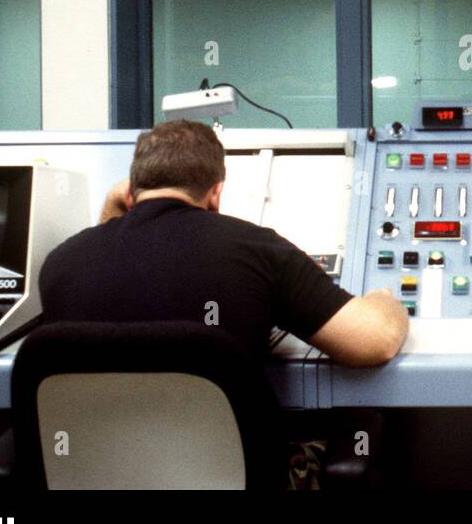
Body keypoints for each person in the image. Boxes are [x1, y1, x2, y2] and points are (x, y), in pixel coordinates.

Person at [40, 119, 408, 487]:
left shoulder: (59, 263)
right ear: (216, 193)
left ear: (131, 192)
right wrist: (383, 300)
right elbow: (375, 341)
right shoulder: (256, 250)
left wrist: (112, 207)